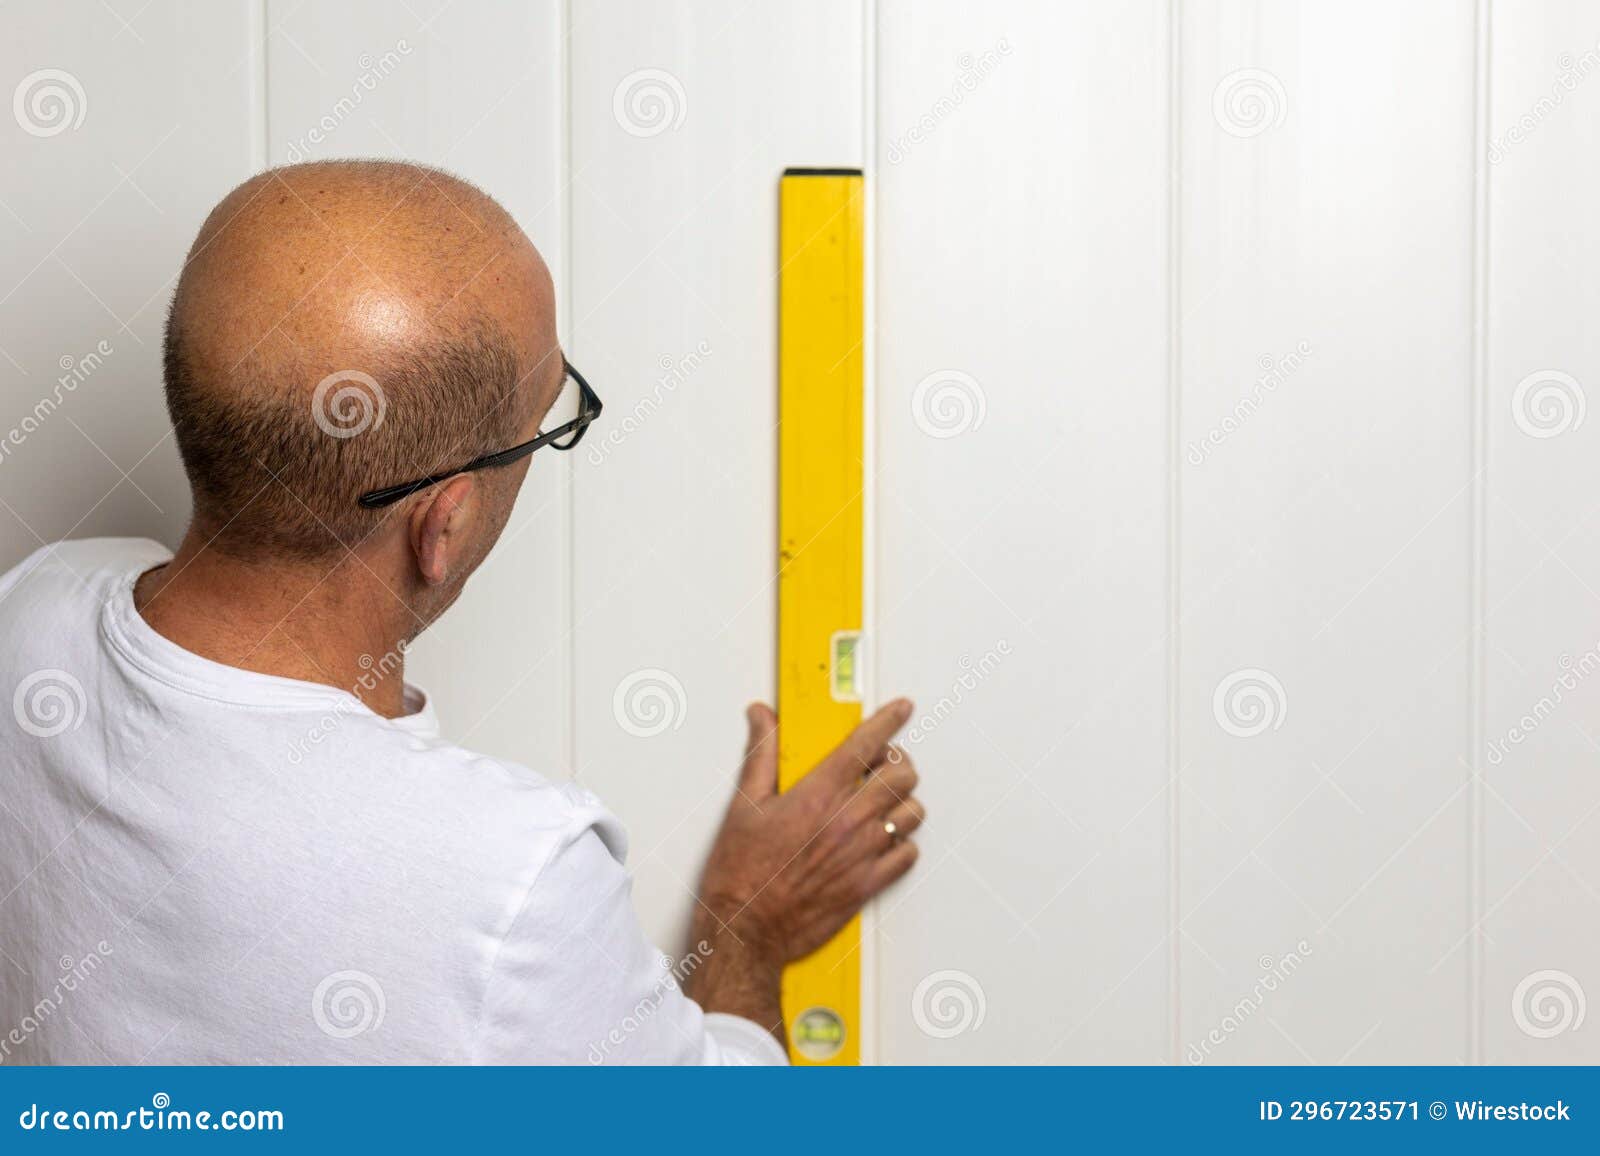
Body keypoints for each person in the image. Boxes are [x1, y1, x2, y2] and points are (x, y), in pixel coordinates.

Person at [0, 160, 923, 1064]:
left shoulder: (32, 610)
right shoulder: (508, 884)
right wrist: (745, 929)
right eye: (551, 415)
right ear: (445, 522)